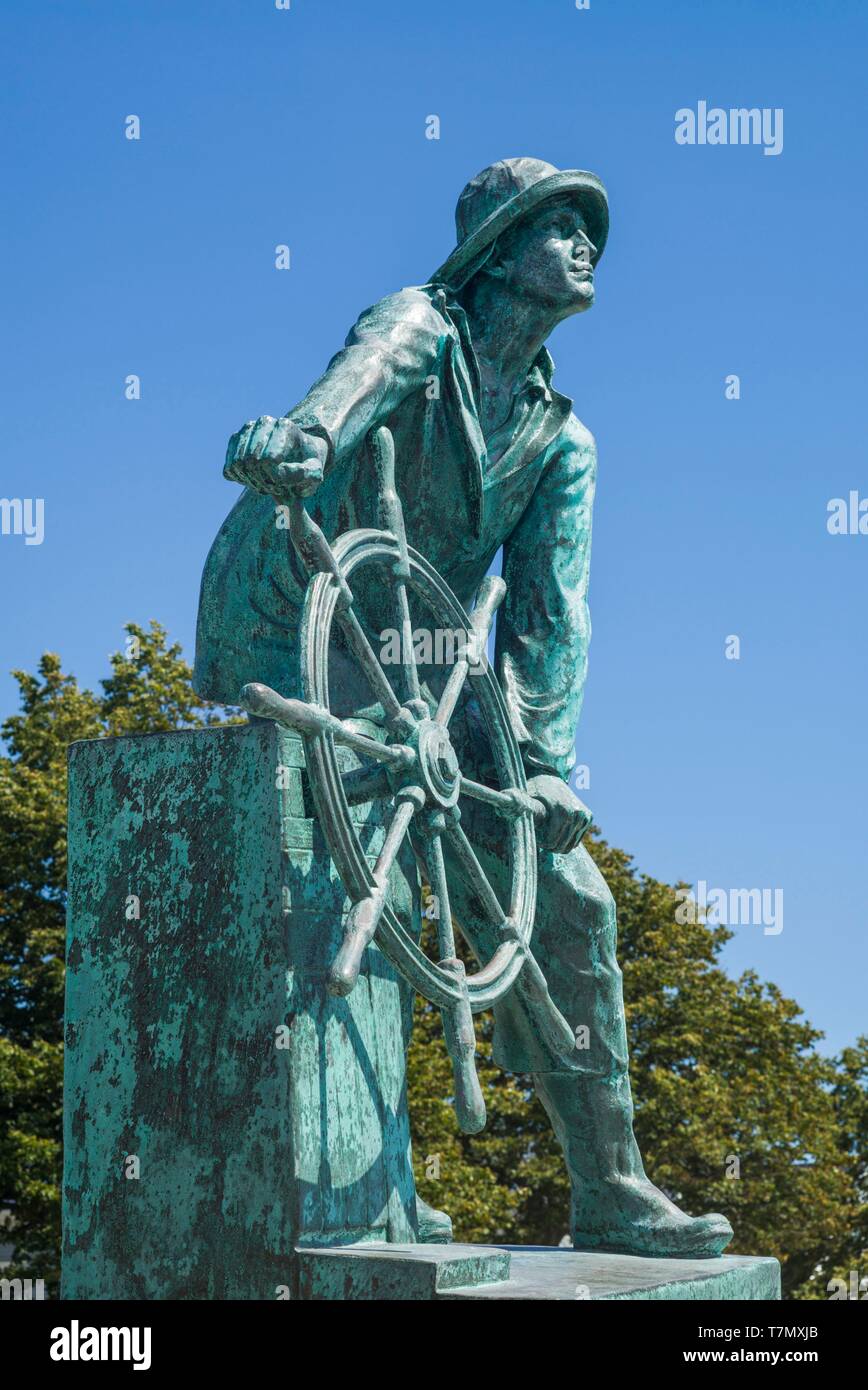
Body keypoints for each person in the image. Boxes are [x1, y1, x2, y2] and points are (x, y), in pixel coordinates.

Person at [194, 158, 733, 1257]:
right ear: (496, 251)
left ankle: (611, 1184)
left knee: (571, 897)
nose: (586, 246)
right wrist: (299, 442)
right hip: (304, 612)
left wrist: (539, 764)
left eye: (591, 231)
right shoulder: (419, 327)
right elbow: (343, 398)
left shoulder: (563, 442)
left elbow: (549, 614)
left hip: (428, 660)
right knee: (358, 864)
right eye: (559, 225)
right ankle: (369, 1178)